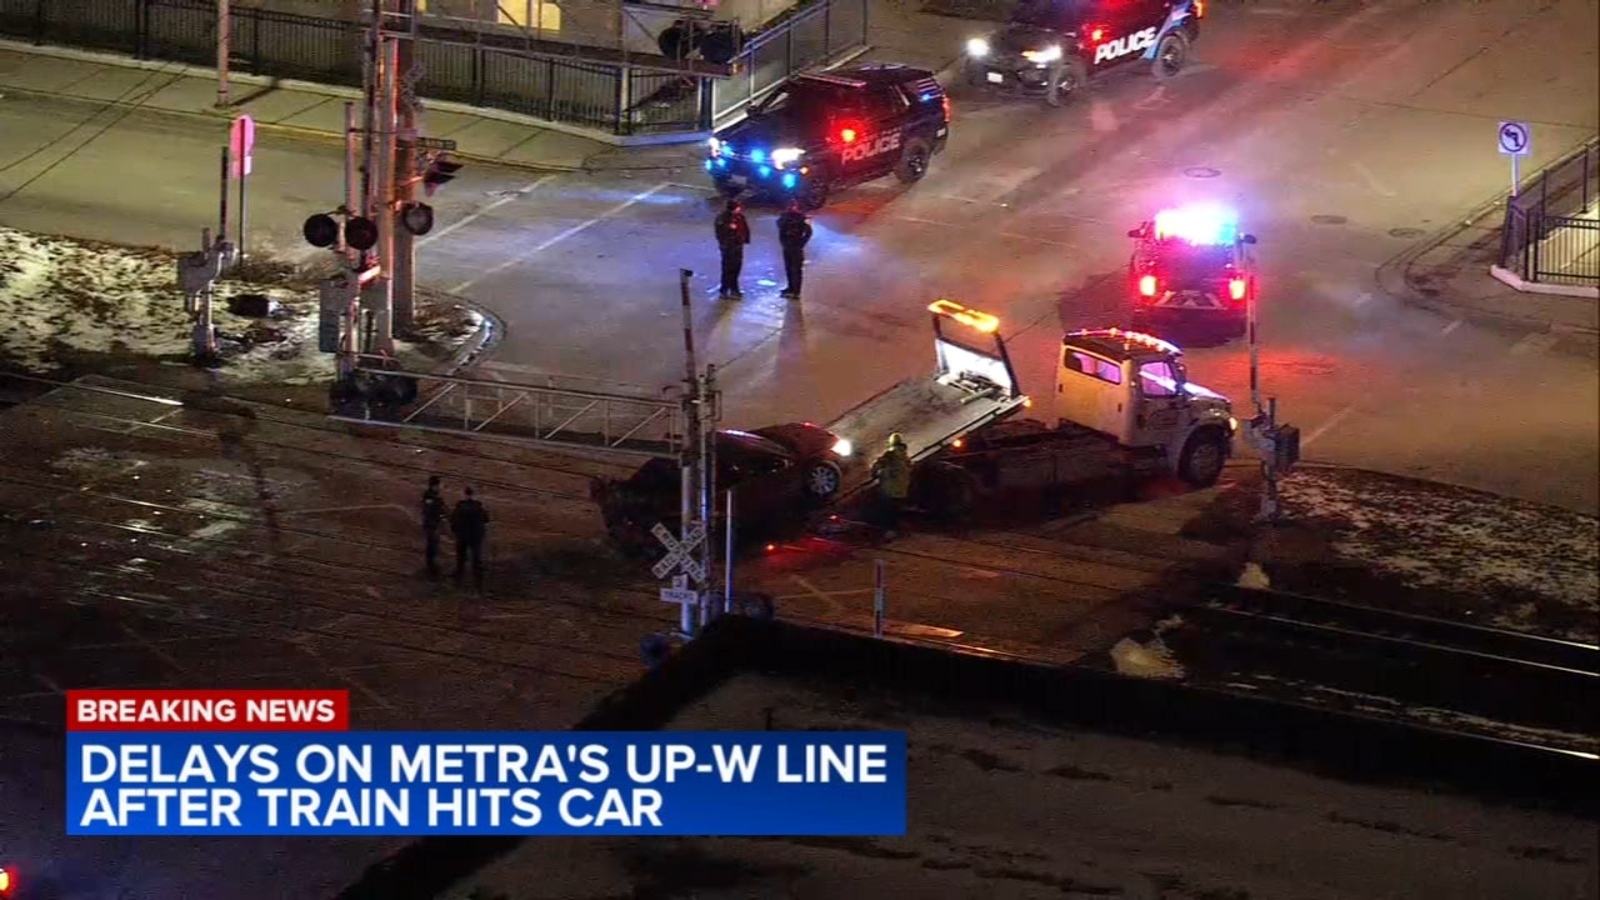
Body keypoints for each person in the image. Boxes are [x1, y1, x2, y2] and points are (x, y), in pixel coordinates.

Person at [869, 433, 912, 539]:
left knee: (887, 511)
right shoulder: (905, 456)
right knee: (896, 510)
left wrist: (875, 474)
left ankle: (888, 531)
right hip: (902, 490)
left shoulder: (890, 454)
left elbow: (877, 465)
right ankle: (895, 530)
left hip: (889, 489)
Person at [450, 486, 491, 590]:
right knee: (476, 562)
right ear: (473, 495)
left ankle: (458, 584)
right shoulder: (478, 507)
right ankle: (478, 586)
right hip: (475, 537)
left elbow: (453, 521)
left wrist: (456, 532)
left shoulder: (459, 507)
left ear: (464, 494)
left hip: (462, 537)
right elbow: (486, 519)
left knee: (460, 561)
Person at [714, 198, 751, 299]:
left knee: (736, 268)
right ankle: (724, 290)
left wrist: (744, 239)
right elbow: (720, 233)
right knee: (727, 269)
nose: (740, 209)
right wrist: (728, 228)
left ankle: (734, 289)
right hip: (728, 247)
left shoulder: (739, 217)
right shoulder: (723, 218)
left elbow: (744, 228)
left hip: (738, 246)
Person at [777, 201, 813, 300]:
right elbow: (780, 227)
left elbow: (808, 232)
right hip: (787, 246)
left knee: (796, 269)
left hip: (796, 246)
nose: (792, 208)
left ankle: (796, 291)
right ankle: (790, 288)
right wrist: (783, 242)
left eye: (793, 206)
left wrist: (801, 243)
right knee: (788, 268)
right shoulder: (785, 217)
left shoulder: (801, 218)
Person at [420, 475, 445, 578]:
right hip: (431, 524)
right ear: (435, 485)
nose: (440, 487)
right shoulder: (429, 496)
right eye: (439, 485)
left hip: (433, 523)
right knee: (432, 545)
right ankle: (431, 568)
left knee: (433, 545)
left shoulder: (433, 495)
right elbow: (428, 509)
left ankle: (432, 566)